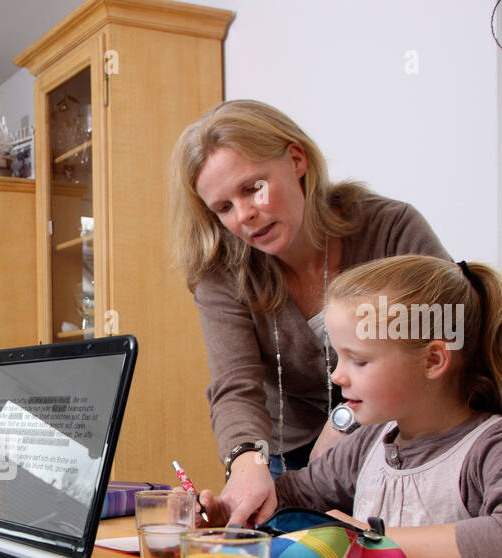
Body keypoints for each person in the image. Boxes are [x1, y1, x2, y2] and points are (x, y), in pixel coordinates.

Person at [197, 255, 502, 558]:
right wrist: (232, 514)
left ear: (433, 360)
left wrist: (373, 538)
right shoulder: (369, 442)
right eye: (338, 357)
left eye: (359, 360)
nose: (337, 375)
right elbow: (286, 503)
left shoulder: (497, 445)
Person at [170, 99, 452, 528]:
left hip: (405, 442)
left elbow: (451, 337)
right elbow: (235, 386)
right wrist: (246, 465)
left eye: (252, 188)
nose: (244, 215)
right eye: (224, 207)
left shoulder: (390, 229)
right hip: (296, 463)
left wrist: (346, 418)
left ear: (296, 159)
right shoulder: (223, 274)